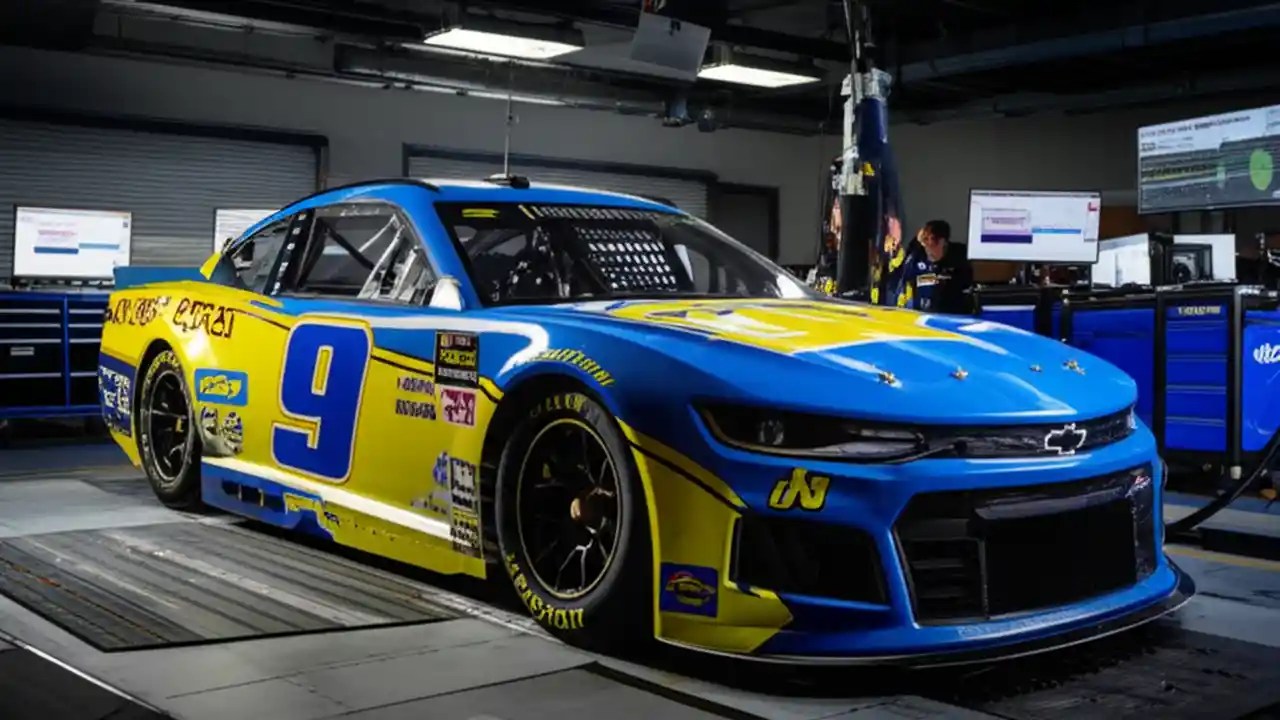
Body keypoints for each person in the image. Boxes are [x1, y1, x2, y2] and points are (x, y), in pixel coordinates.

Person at [899, 220, 974, 314]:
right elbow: (902, 279)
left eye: (934, 240)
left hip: (953, 315)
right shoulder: (916, 256)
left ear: (945, 242)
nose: (929, 245)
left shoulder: (959, 257)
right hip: (923, 315)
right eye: (925, 240)